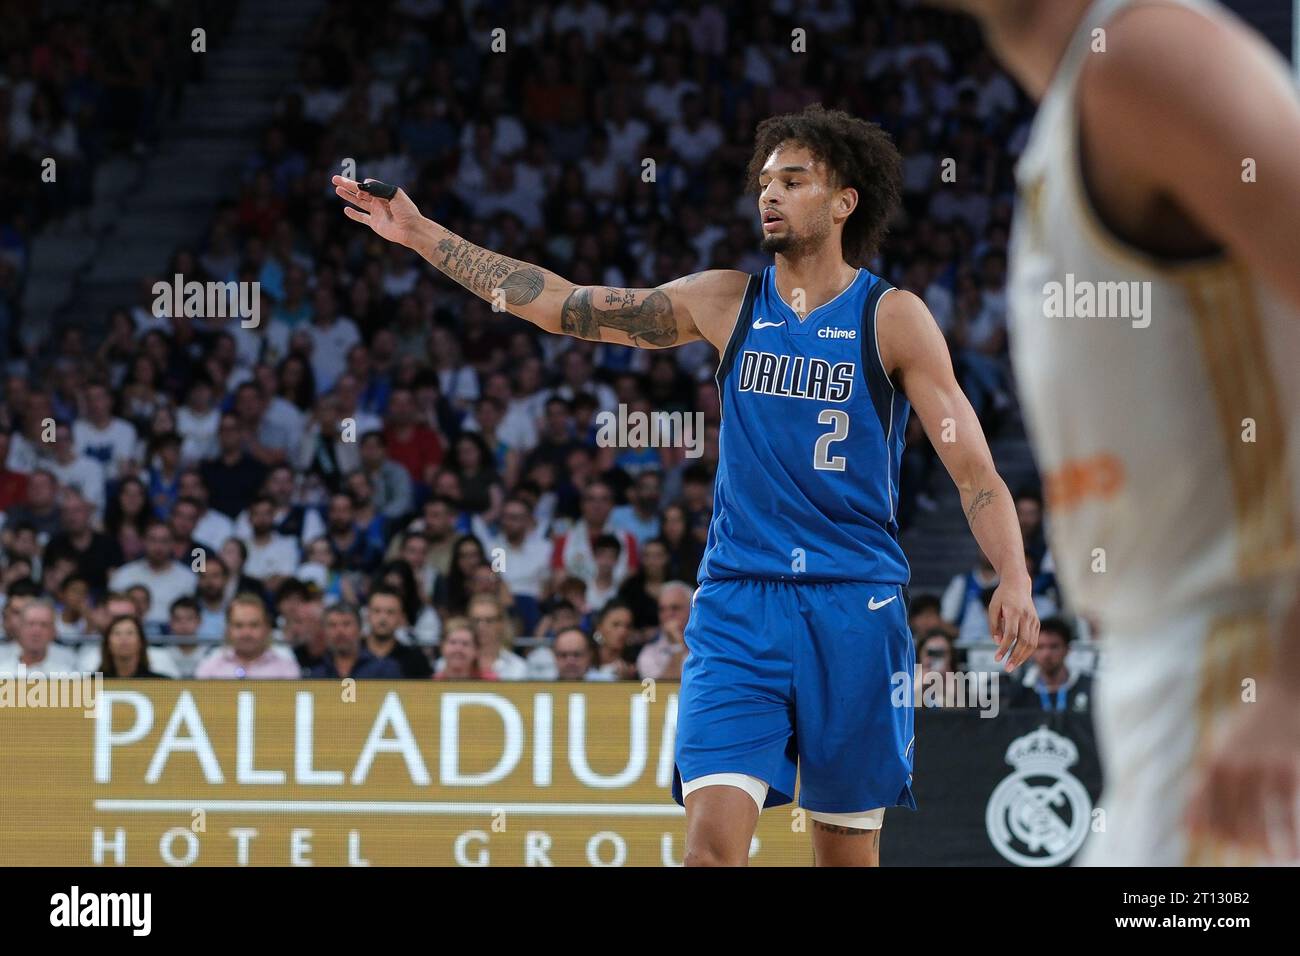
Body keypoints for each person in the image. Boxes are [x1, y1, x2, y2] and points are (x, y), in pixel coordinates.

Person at [333, 103, 1040, 869]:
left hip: (854, 607)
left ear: (845, 201)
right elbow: (565, 307)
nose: (769, 194)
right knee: (708, 854)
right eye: (765, 181)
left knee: (844, 860)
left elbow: (972, 470)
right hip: (738, 604)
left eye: (793, 180)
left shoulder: (892, 318)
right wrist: (422, 235)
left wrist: (1015, 574)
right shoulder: (725, 300)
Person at [936, 0, 1300, 865]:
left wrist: (1290, 682)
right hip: (1173, 672)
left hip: (1245, 654)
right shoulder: (1079, 103)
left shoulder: (1144, 55)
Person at [107, 520, 196, 627]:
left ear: (173, 543)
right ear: (143, 541)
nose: (158, 546)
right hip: (130, 634)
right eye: (153, 540)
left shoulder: (188, 578)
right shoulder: (123, 575)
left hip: (173, 640)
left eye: (164, 541)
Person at [195, 594, 301, 679]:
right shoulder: (210, 667)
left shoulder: (285, 668)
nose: (246, 633)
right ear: (228, 630)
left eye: (254, 625)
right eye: (238, 625)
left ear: (267, 628)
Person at [1004, 616, 1092, 713]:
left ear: (1067, 649)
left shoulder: (1090, 688)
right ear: (1031, 651)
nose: (1047, 654)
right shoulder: (1018, 692)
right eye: (1040, 647)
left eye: (1054, 647)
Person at [308, 604, 402, 679]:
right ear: (324, 631)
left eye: (346, 624)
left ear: (360, 629)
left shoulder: (384, 669)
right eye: (332, 625)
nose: (339, 631)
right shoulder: (316, 674)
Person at [364, 585, 433, 678]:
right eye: (377, 611)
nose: (383, 618)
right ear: (367, 615)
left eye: (390, 612)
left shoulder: (415, 660)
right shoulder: (352, 654)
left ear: (401, 618)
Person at [0, 600, 81, 675]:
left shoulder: (66, 674)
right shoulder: (3, 671)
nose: (36, 631)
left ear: (54, 631)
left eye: (44, 625)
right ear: (20, 629)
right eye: (30, 624)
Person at [97, 615, 170, 679]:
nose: (123, 638)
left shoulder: (160, 683)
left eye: (130, 633)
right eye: (117, 633)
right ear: (107, 644)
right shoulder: (92, 682)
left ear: (141, 642)